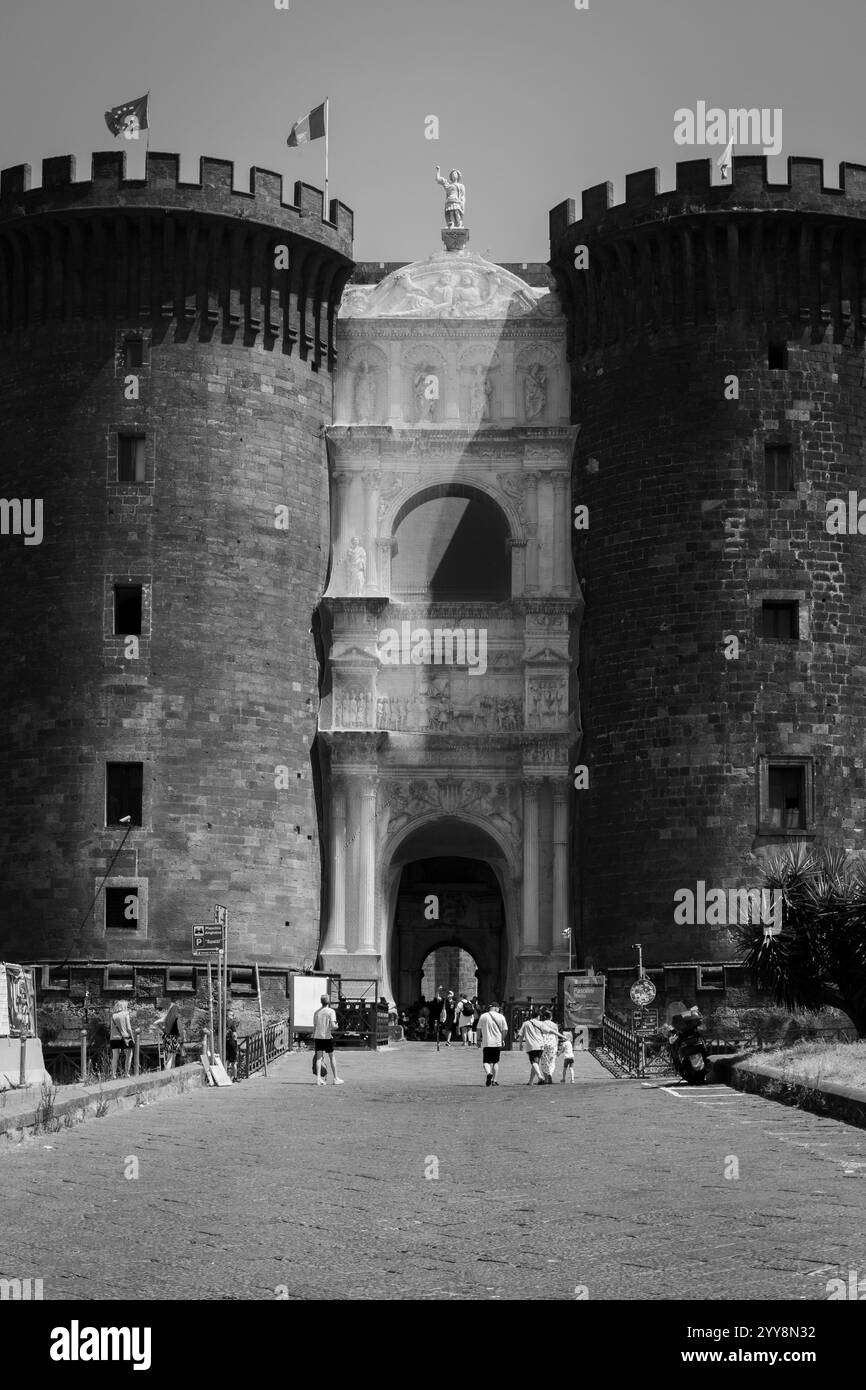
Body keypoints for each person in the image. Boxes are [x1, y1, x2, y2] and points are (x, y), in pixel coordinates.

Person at [311, 994, 344, 1086]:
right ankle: (335, 1078)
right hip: (327, 1037)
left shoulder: (316, 1012)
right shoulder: (331, 1011)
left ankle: (318, 1079)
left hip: (318, 1037)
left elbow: (315, 1026)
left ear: (321, 1002)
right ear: (328, 1001)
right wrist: (337, 1026)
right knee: (331, 1056)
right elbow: (333, 1026)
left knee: (319, 1058)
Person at [476, 1001, 508, 1086]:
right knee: (495, 1062)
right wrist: (502, 1040)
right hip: (497, 1042)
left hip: (487, 1042)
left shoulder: (483, 1016)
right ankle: (495, 1080)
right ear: (496, 1008)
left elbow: (478, 1029)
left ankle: (488, 1073)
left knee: (486, 1061)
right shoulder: (501, 1016)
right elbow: (505, 1030)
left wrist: (478, 1040)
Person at [516, 1008, 547, 1085]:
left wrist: (520, 1044)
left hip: (531, 1045)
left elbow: (520, 1035)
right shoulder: (541, 1023)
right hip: (540, 1045)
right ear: (538, 1016)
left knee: (534, 1062)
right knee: (535, 1063)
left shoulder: (526, 1023)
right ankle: (530, 1081)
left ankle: (540, 1077)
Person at [109, 999, 135, 1078]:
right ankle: (126, 1073)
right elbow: (129, 1028)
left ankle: (113, 1074)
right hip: (125, 1037)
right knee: (129, 1054)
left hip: (113, 1038)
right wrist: (133, 1038)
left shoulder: (113, 1016)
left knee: (115, 1056)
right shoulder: (126, 1014)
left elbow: (111, 1029)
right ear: (124, 1006)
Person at [538, 1007, 564, 1085]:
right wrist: (557, 1046)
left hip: (544, 1043)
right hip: (553, 1043)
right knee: (552, 1061)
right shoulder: (554, 1025)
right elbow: (556, 1035)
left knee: (544, 1061)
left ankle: (546, 1078)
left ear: (544, 1016)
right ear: (551, 1017)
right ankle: (550, 1074)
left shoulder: (541, 1024)